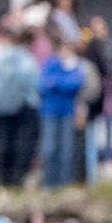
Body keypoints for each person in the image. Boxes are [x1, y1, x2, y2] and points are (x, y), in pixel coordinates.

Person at [0, 29, 40, 187]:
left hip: (0, 107)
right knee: (21, 145)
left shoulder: (1, 58)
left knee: (2, 143)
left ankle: (1, 178)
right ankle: (17, 179)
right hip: (23, 108)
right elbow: (31, 83)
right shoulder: (26, 59)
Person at [38, 36, 88, 188]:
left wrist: (56, 83)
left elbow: (75, 84)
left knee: (66, 149)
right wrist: (62, 84)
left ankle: (64, 183)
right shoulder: (51, 64)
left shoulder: (75, 66)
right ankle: (48, 183)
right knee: (49, 147)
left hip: (67, 112)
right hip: (50, 112)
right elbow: (43, 85)